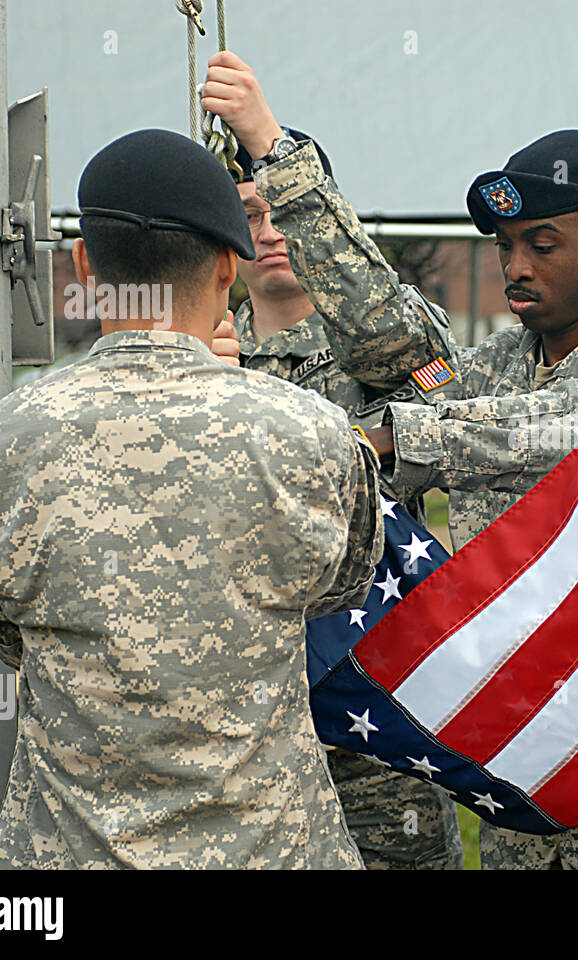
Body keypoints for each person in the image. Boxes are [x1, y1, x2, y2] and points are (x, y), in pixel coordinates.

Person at [201, 50, 578, 869]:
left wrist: (400, 436)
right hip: (517, 771)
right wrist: (275, 154)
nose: (515, 267)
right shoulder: (487, 368)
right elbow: (384, 333)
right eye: (506, 245)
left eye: (541, 243)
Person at [0, 129, 384, 869]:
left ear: (84, 263)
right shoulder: (312, 432)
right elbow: (340, 592)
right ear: (226, 265)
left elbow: (5, 633)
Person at [223, 125, 464, 870]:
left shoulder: (375, 343)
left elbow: (434, 381)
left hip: (378, 717)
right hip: (251, 721)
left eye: (281, 212)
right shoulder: (203, 358)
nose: (267, 233)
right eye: (248, 218)